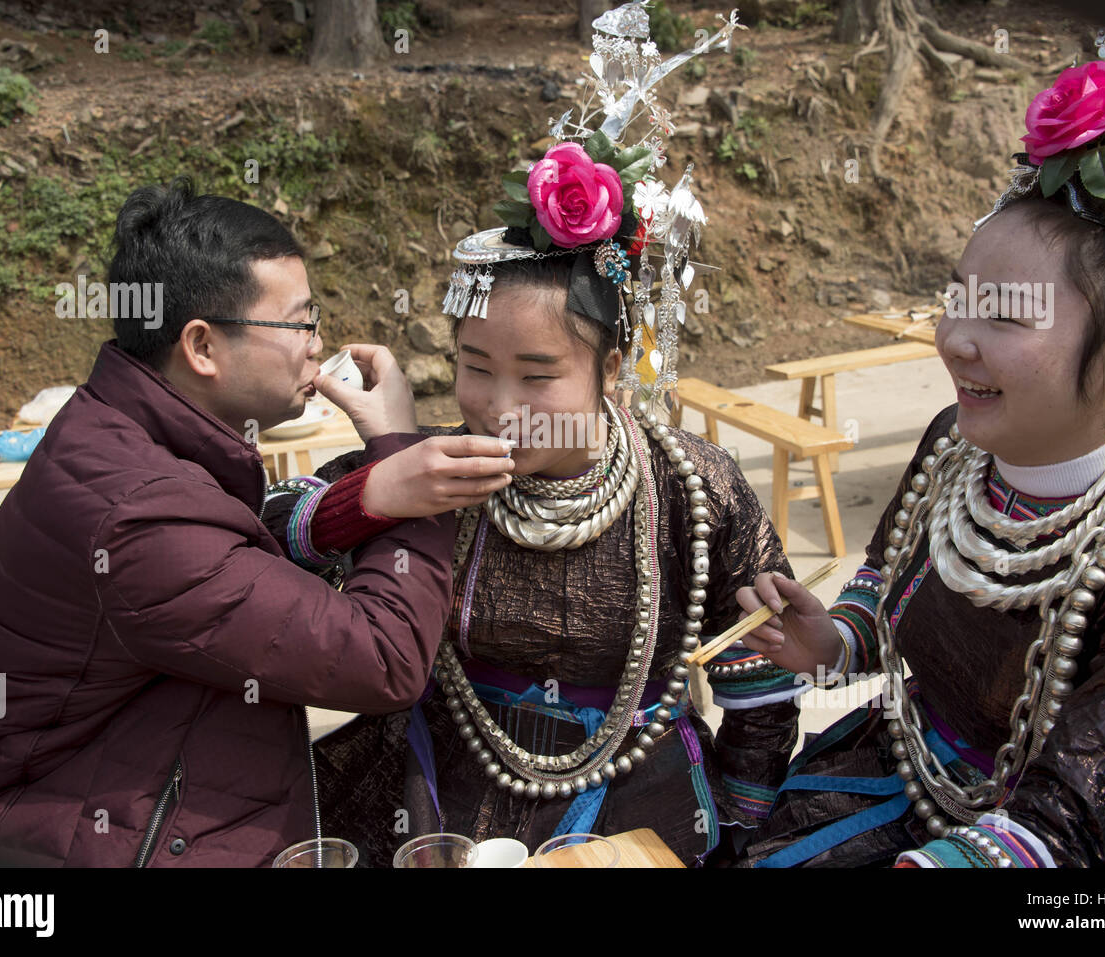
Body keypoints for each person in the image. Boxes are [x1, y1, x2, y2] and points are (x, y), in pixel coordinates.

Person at [262, 9, 804, 866]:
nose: (496, 403)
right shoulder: (430, 470)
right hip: (430, 788)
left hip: (635, 802)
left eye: (538, 372)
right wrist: (380, 481)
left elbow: (761, 681)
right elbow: (268, 531)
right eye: (473, 364)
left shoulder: (694, 489)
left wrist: (744, 827)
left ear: (614, 364)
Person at [0, 177, 516, 866]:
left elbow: (249, 589)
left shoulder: (120, 433)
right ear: (201, 347)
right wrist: (410, 477)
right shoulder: (141, 513)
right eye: (301, 323)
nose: (318, 345)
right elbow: (381, 658)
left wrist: (370, 491)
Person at [735, 47, 1105, 867]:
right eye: (958, 298)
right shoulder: (951, 443)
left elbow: (1082, 810)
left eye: (1004, 317)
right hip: (893, 775)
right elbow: (888, 585)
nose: (954, 338)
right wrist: (833, 643)